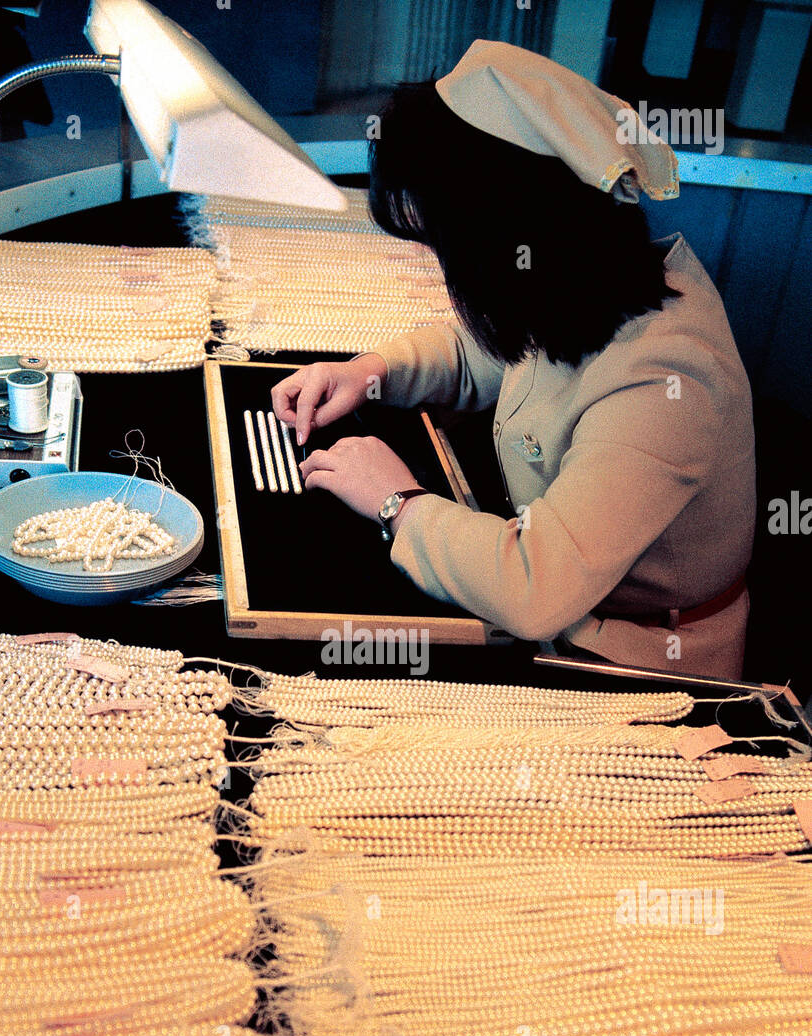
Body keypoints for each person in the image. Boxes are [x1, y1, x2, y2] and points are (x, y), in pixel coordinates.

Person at [271, 41, 755, 679]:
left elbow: (534, 591)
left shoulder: (664, 381)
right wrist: (371, 372)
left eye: (445, 247)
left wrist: (397, 503)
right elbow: (488, 354)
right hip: (579, 608)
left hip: (636, 661)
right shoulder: (579, 286)